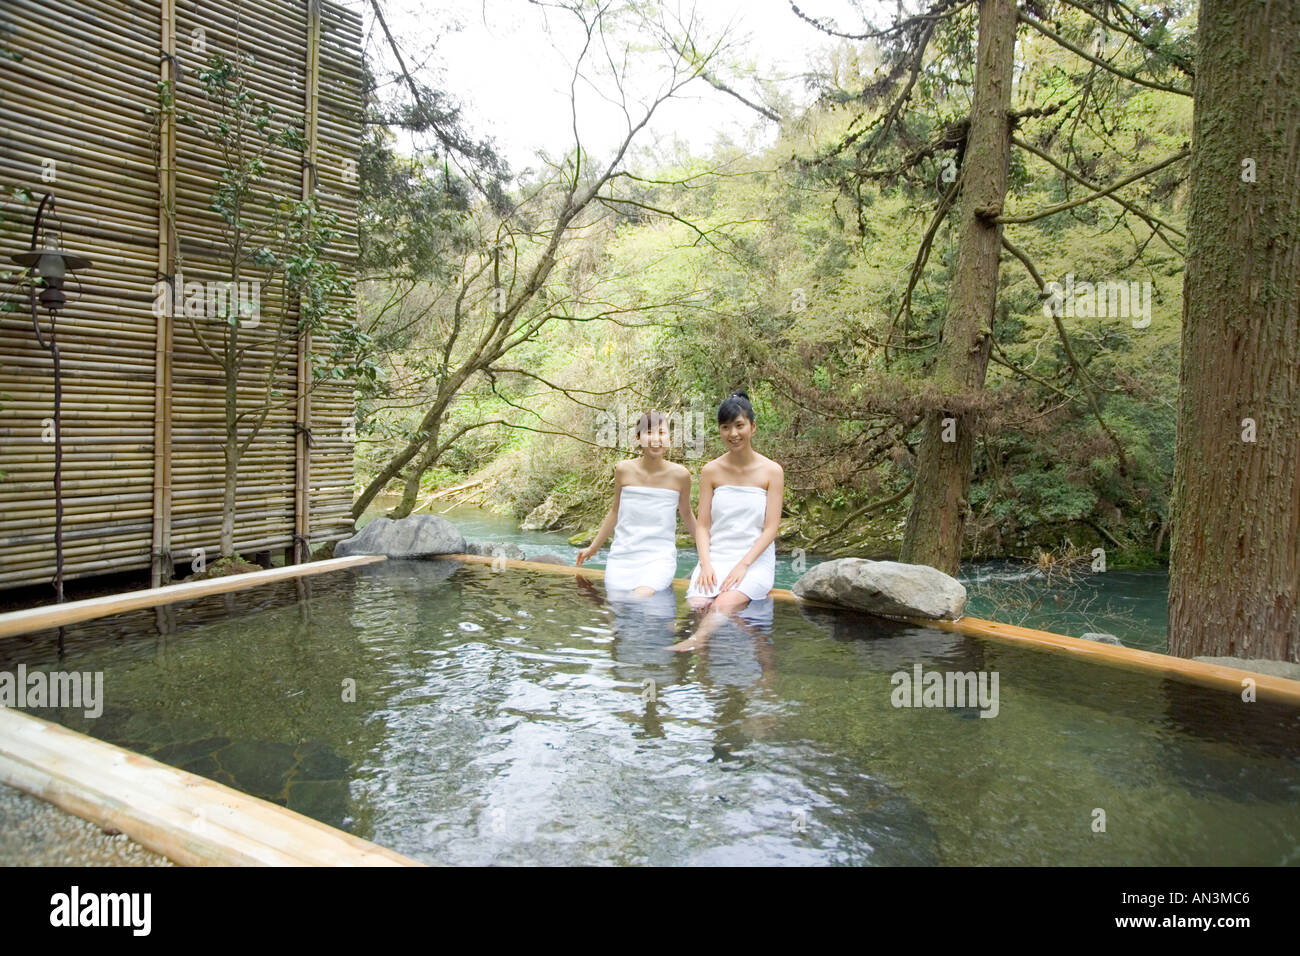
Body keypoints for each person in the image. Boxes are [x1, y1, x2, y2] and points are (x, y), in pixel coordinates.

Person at [671, 390, 783, 652]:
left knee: (722, 604)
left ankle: (697, 641)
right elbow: (703, 525)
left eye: (739, 425)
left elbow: (771, 527)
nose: (733, 434)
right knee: (699, 603)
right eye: (725, 427)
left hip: (754, 559)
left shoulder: (772, 471)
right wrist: (705, 563)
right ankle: (701, 644)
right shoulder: (711, 471)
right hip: (718, 555)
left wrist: (744, 565)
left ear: (752, 427)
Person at [576, 411, 696, 597]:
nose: (656, 439)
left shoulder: (680, 475)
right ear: (639, 438)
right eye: (649, 432)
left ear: (669, 439)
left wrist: (707, 553)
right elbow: (615, 511)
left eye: (661, 433)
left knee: (638, 598)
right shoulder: (624, 470)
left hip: (659, 558)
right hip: (622, 557)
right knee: (620, 607)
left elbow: (687, 514)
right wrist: (593, 548)